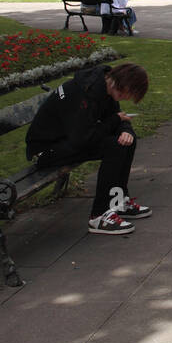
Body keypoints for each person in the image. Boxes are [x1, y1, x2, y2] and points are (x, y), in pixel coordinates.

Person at [26, 63, 151, 236]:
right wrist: (115, 121)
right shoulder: (84, 93)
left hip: (69, 141)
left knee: (126, 141)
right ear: (122, 85)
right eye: (128, 94)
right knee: (114, 147)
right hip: (47, 149)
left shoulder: (105, 87)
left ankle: (118, 200)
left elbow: (119, 118)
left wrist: (125, 130)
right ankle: (99, 215)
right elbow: (82, 139)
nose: (126, 98)